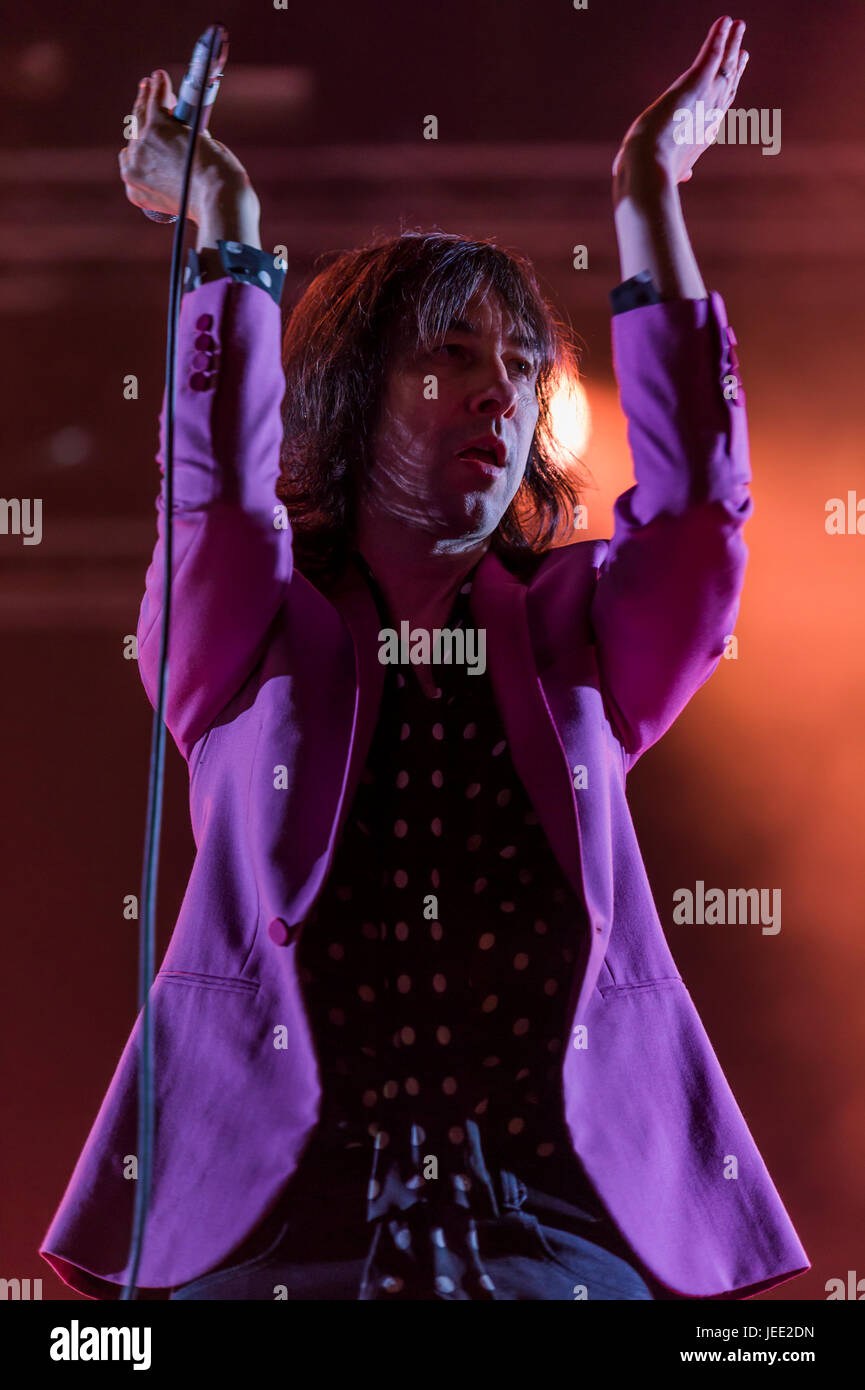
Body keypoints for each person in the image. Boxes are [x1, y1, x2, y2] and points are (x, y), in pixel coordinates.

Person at [41, 15, 809, 1300]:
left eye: (516, 368)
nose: (498, 397)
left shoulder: (577, 634)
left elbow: (694, 518)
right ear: (350, 393)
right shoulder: (252, 627)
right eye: (449, 359)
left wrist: (648, 199)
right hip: (275, 1231)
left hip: (556, 1225)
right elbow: (213, 494)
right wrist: (226, 222)